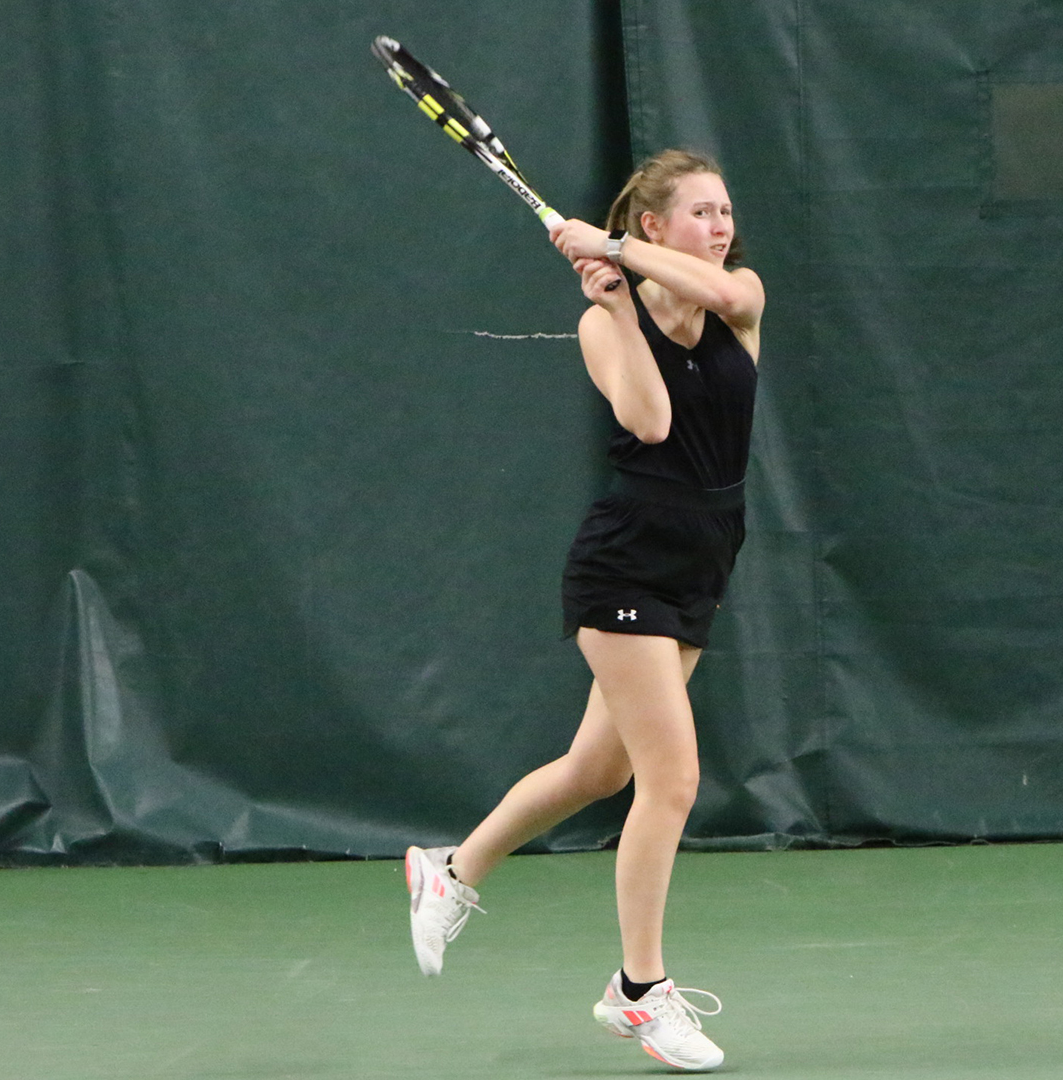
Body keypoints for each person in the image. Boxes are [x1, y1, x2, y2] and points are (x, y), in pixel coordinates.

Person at [402, 149, 763, 1073]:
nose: (721, 229)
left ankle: (450, 869)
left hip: (703, 561)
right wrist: (612, 304)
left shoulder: (741, 298)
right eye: (701, 214)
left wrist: (609, 249)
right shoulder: (607, 322)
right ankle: (638, 991)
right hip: (627, 565)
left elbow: (718, 295)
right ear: (655, 225)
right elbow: (649, 423)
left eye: (725, 213)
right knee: (670, 779)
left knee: (595, 770)